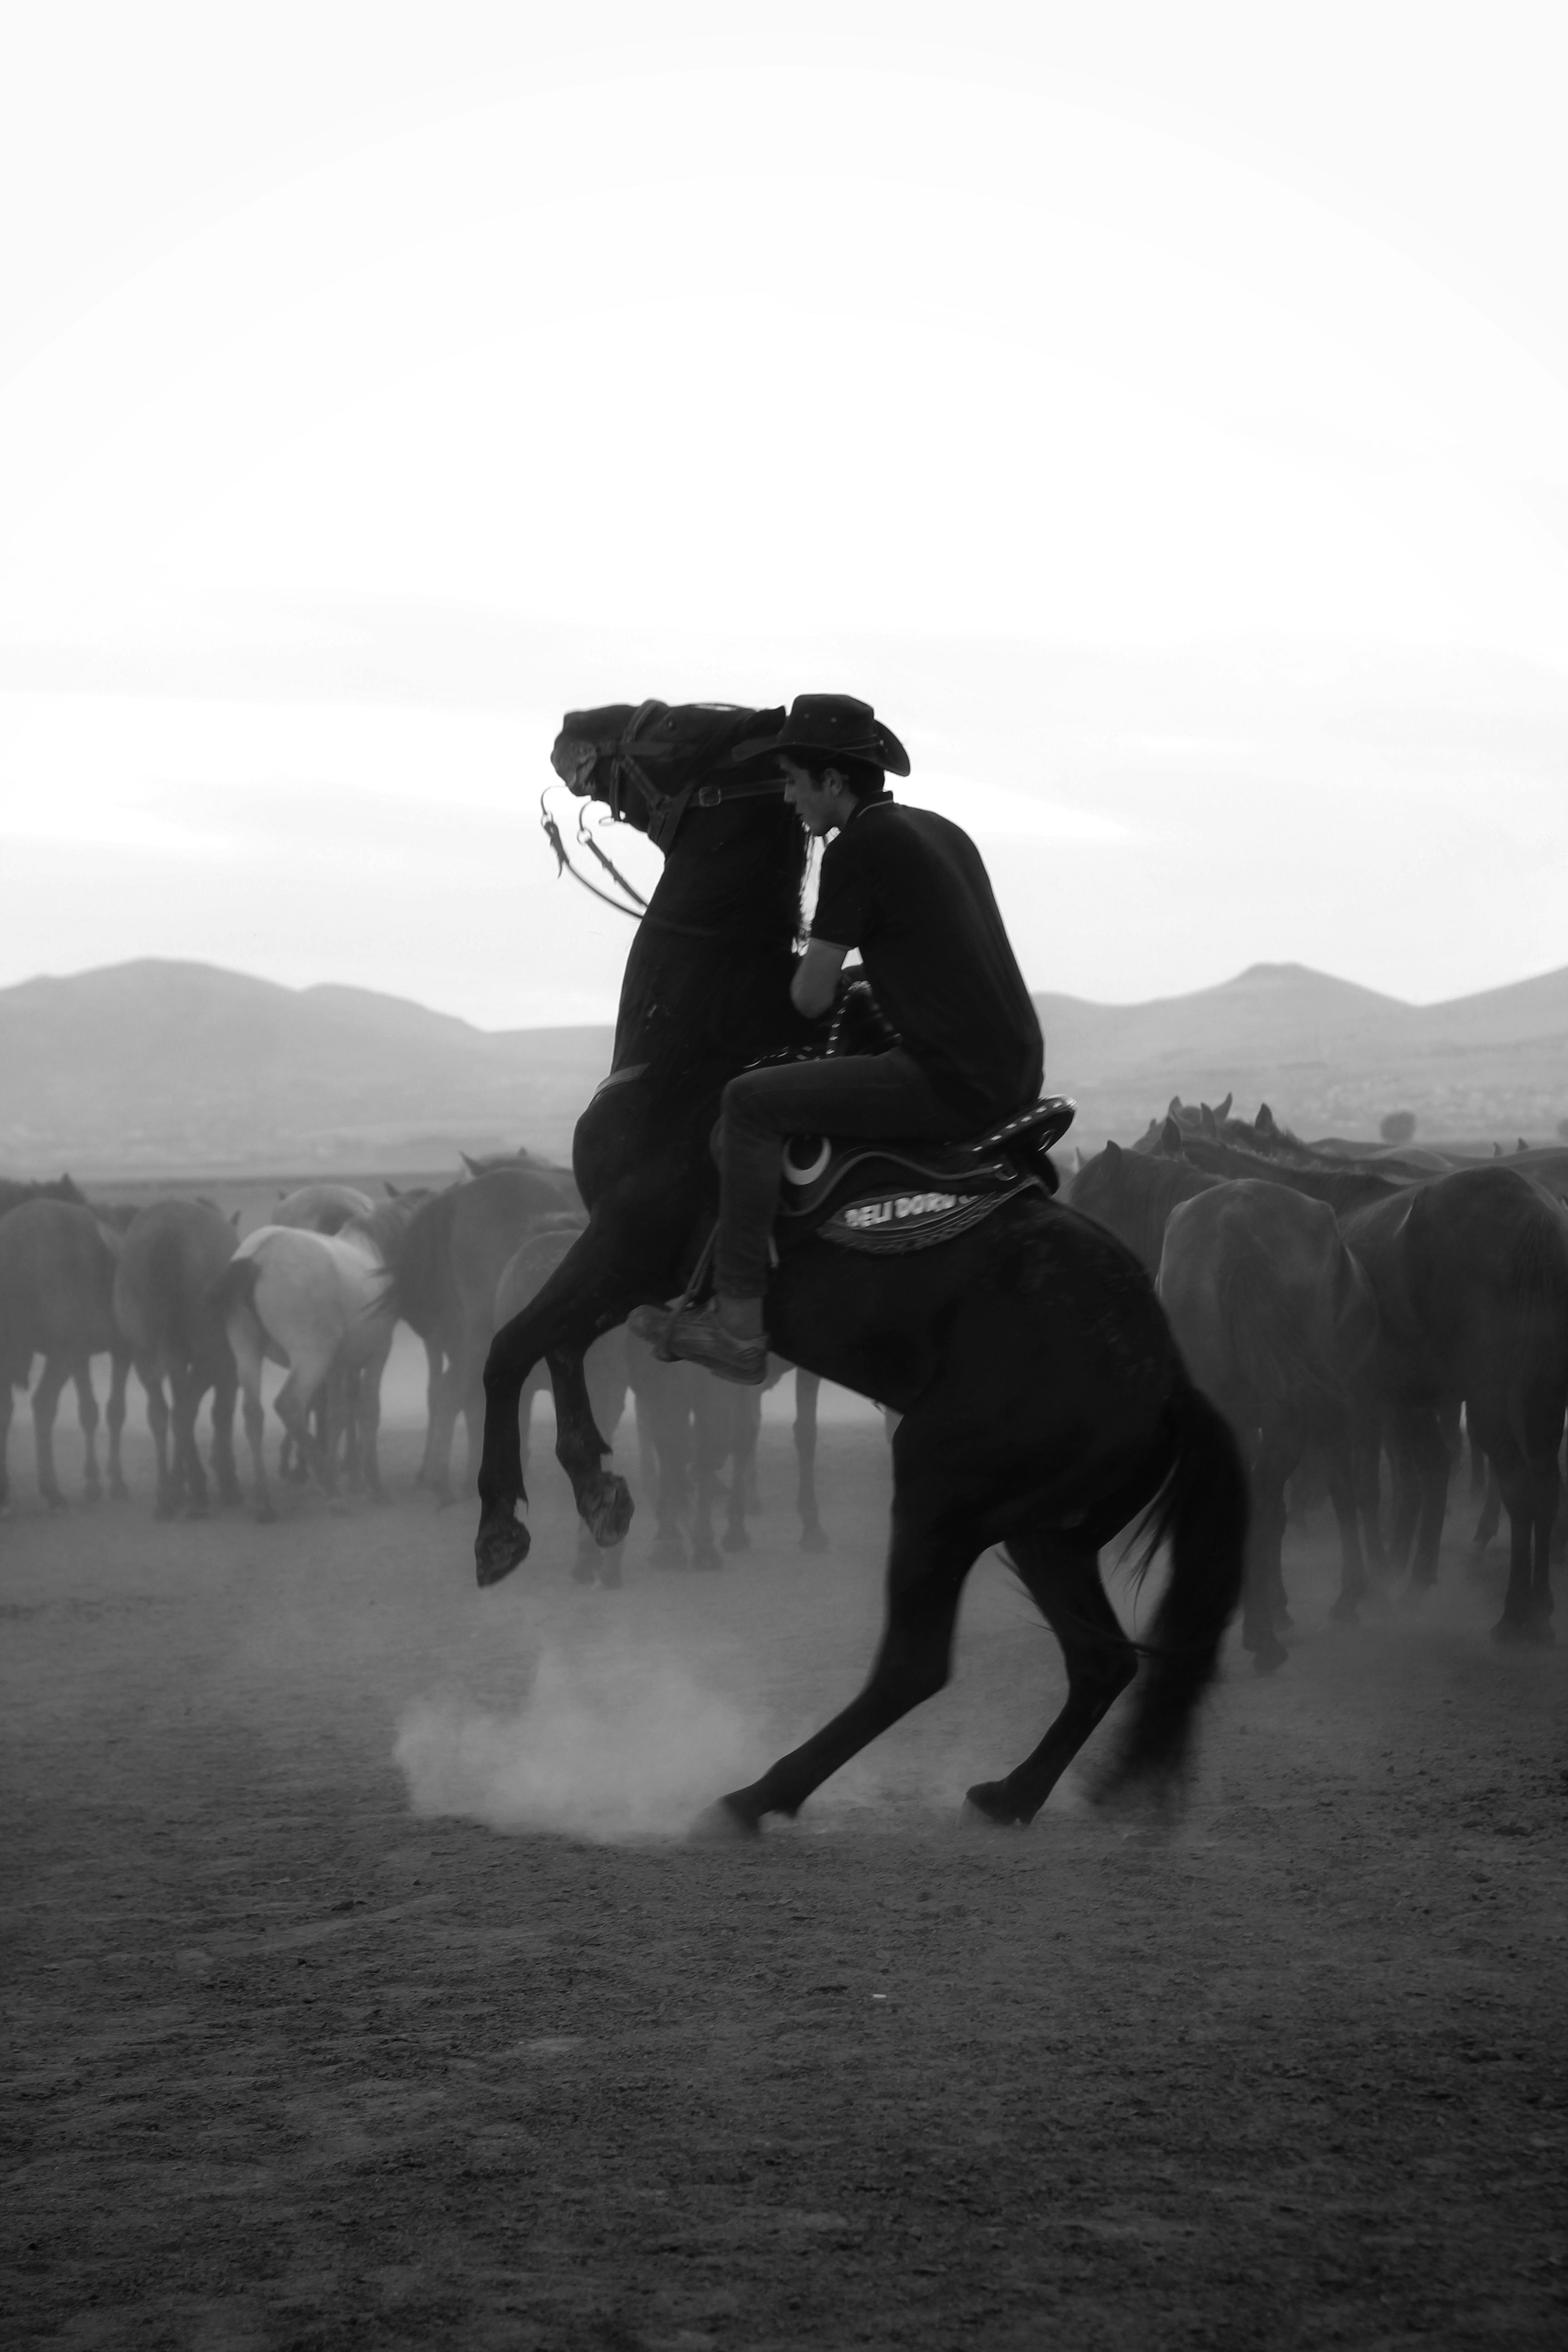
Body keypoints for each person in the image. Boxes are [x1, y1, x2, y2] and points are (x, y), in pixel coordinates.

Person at [643, 693, 1045, 1382]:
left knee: (747, 1103)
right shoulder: (939, 831)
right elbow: (930, 955)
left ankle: (738, 1326)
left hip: (946, 1079)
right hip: (1016, 1067)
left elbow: (808, 998)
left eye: (796, 781)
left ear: (834, 781)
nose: (791, 799)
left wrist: (789, 967)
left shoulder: (858, 849)